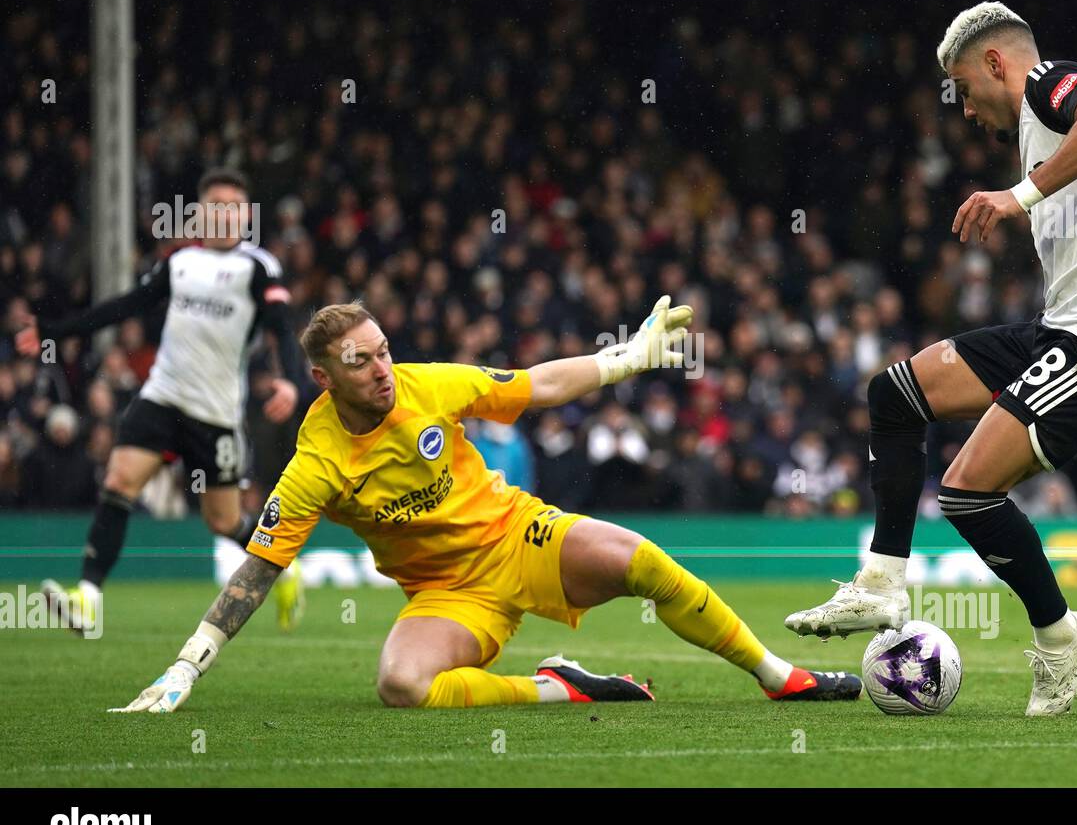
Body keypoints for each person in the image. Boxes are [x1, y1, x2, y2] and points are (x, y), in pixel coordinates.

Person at [111, 298, 862, 712]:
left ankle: (777, 675)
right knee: (400, 687)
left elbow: (535, 386)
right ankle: (557, 687)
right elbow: (257, 570)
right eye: (360, 362)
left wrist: (624, 359)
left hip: (518, 536)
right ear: (321, 378)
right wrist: (187, 664)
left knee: (641, 560)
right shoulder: (315, 465)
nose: (382, 369)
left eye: (382, 349)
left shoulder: (427, 383)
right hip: (445, 592)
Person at [785, 2, 1077, 717]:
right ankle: (882, 580)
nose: (963, 109)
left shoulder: (1050, 82)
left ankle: (1059, 637)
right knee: (893, 394)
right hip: (1061, 329)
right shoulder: (1033, 127)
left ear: (997, 63)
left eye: (964, 88)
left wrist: (1017, 195)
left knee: (965, 492)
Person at [15, 168, 306, 634]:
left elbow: (280, 329)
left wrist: (290, 380)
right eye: (217, 206)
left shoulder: (257, 267)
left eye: (235, 207)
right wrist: (55, 330)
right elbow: (126, 305)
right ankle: (88, 599)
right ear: (201, 213)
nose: (226, 215)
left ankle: (286, 567)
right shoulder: (180, 262)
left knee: (223, 520)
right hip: (162, 396)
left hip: (215, 414)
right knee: (119, 482)